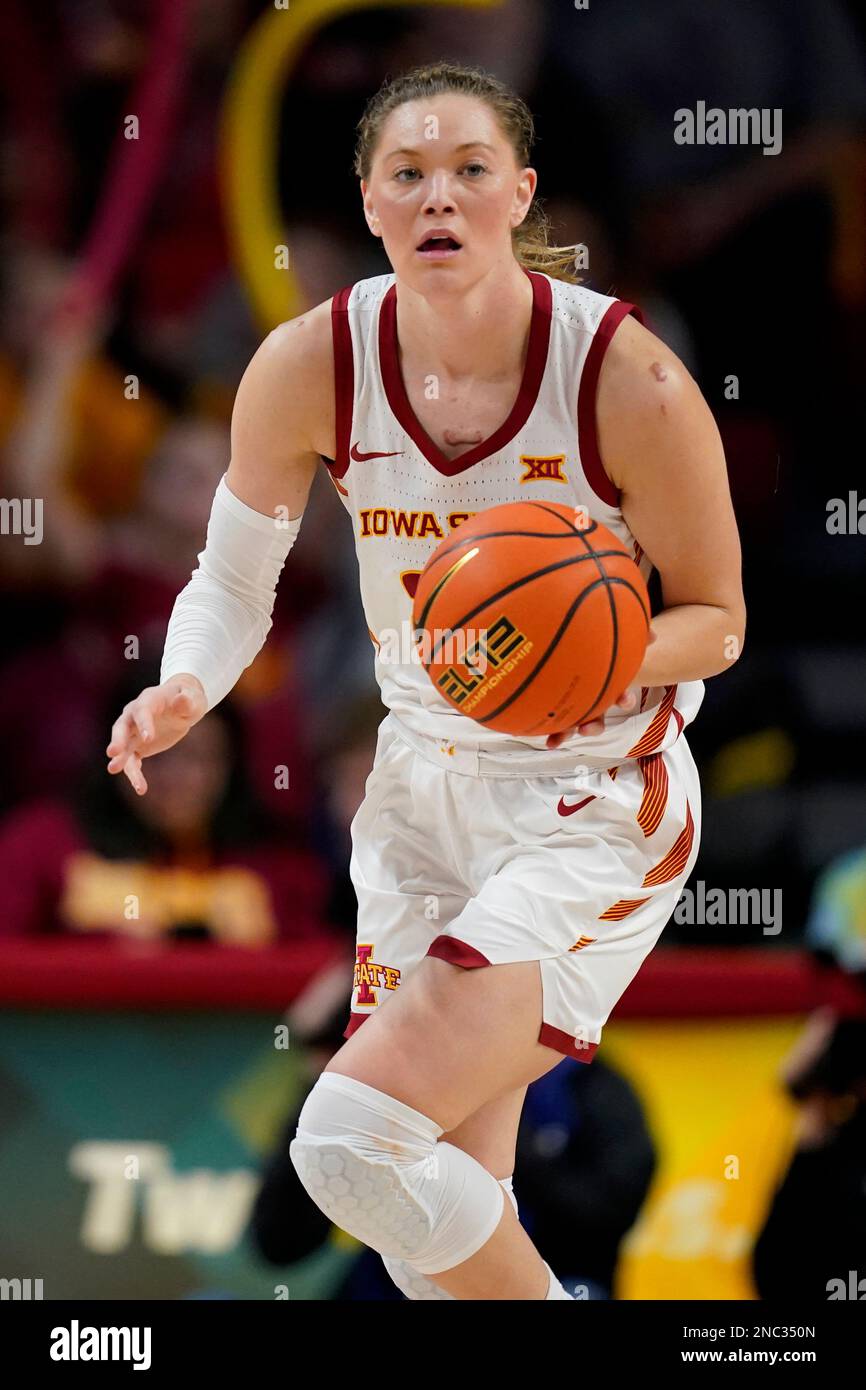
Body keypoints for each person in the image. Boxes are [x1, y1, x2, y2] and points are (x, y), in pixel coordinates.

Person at [105, 62, 746, 1299]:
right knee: (420, 1231)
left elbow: (713, 622)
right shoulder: (307, 363)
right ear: (369, 201)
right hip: (418, 785)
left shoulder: (627, 377)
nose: (437, 194)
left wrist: (581, 664)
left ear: (520, 194)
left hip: (590, 796)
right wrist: (187, 682)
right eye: (407, 173)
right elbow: (233, 582)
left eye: (466, 170)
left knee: (347, 1141)